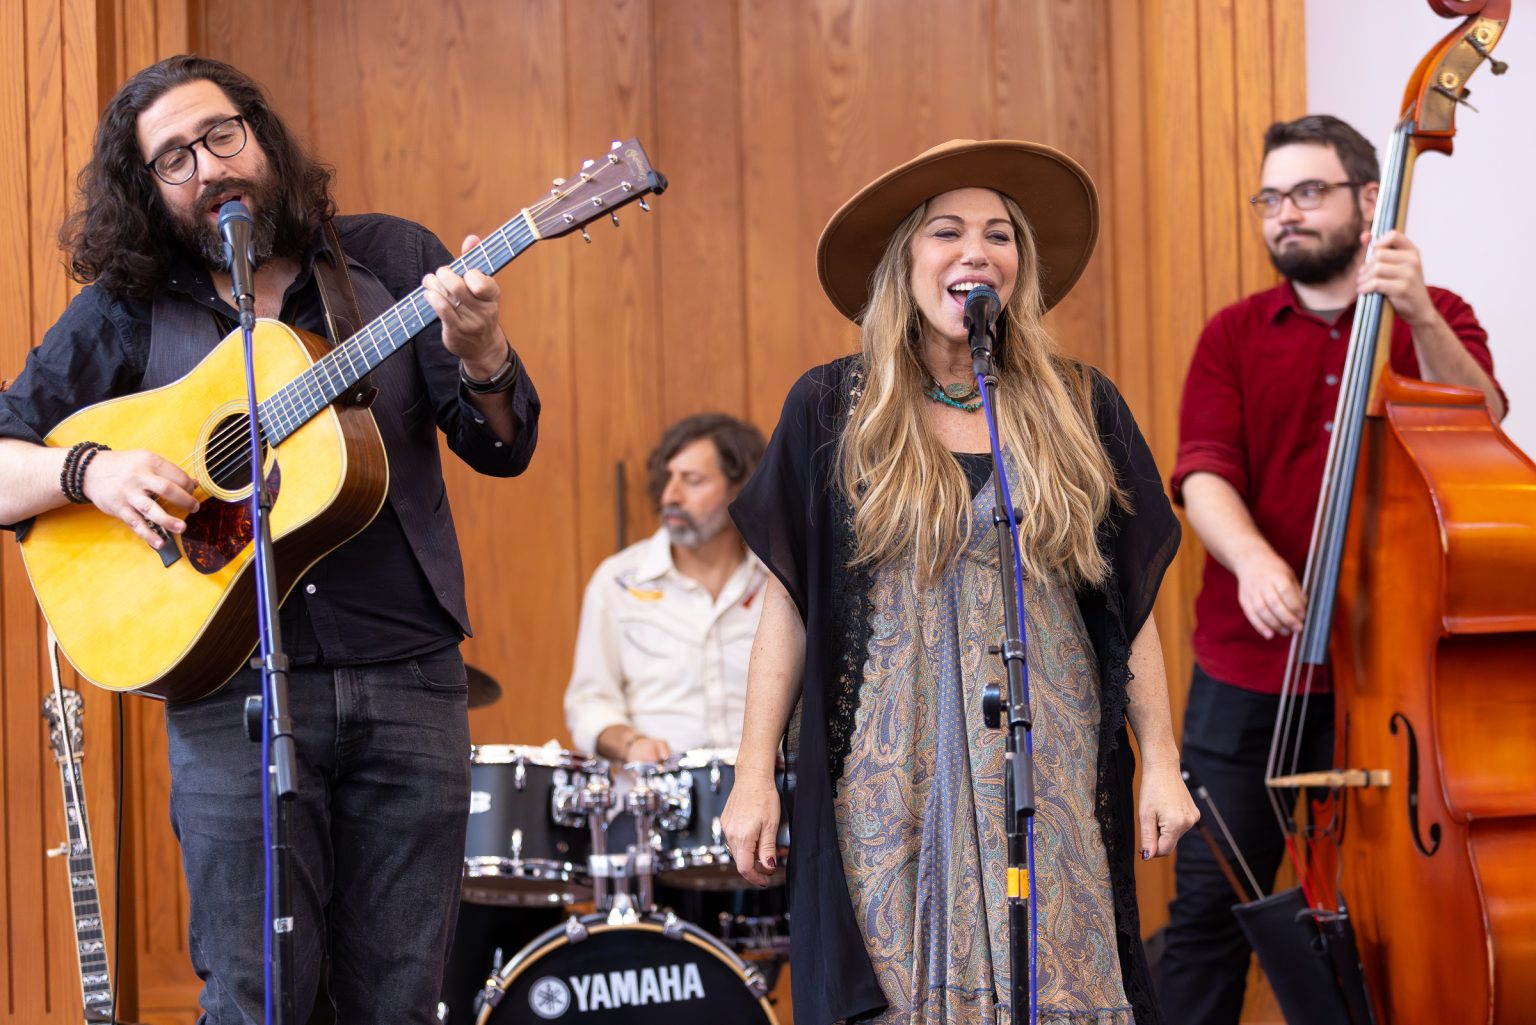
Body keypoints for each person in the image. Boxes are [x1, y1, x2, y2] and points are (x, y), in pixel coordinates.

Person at [0, 56, 540, 1024]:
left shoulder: (387, 263)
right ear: (149, 190)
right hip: (227, 689)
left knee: (399, 1002)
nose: (207, 167)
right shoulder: (128, 312)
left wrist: (484, 354)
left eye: (219, 136)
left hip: (408, 676)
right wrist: (93, 469)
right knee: (256, 999)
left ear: (260, 136)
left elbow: (502, 446)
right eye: (173, 158)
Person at [721, 139, 1199, 1025]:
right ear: (906, 260)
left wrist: (1161, 761)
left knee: (1058, 979)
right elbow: (788, 608)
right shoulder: (834, 406)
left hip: (1046, 754)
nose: (977, 252)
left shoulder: (1080, 404)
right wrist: (755, 772)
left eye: (999, 235)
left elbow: (1127, 610)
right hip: (888, 765)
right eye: (947, 231)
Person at [1159, 114, 1504, 1025]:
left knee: (1399, 910)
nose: (1285, 214)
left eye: (1307, 192)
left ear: (1366, 198)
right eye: (1270, 198)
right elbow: (1201, 475)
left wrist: (1420, 310)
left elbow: (1483, 419)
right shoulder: (1232, 335)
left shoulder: (1438, 315)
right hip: (1248, 673)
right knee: (1209, 907)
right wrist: (1254, 560)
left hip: (1392, 682)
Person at [563, 412, 769, 764]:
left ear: (740, 488)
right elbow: (588, 703)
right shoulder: (618, 581)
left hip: (764, 796)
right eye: (667, 479)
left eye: (692, 480)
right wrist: (630, 744)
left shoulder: (778, 580)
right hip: (654, 804)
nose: (670, 496)